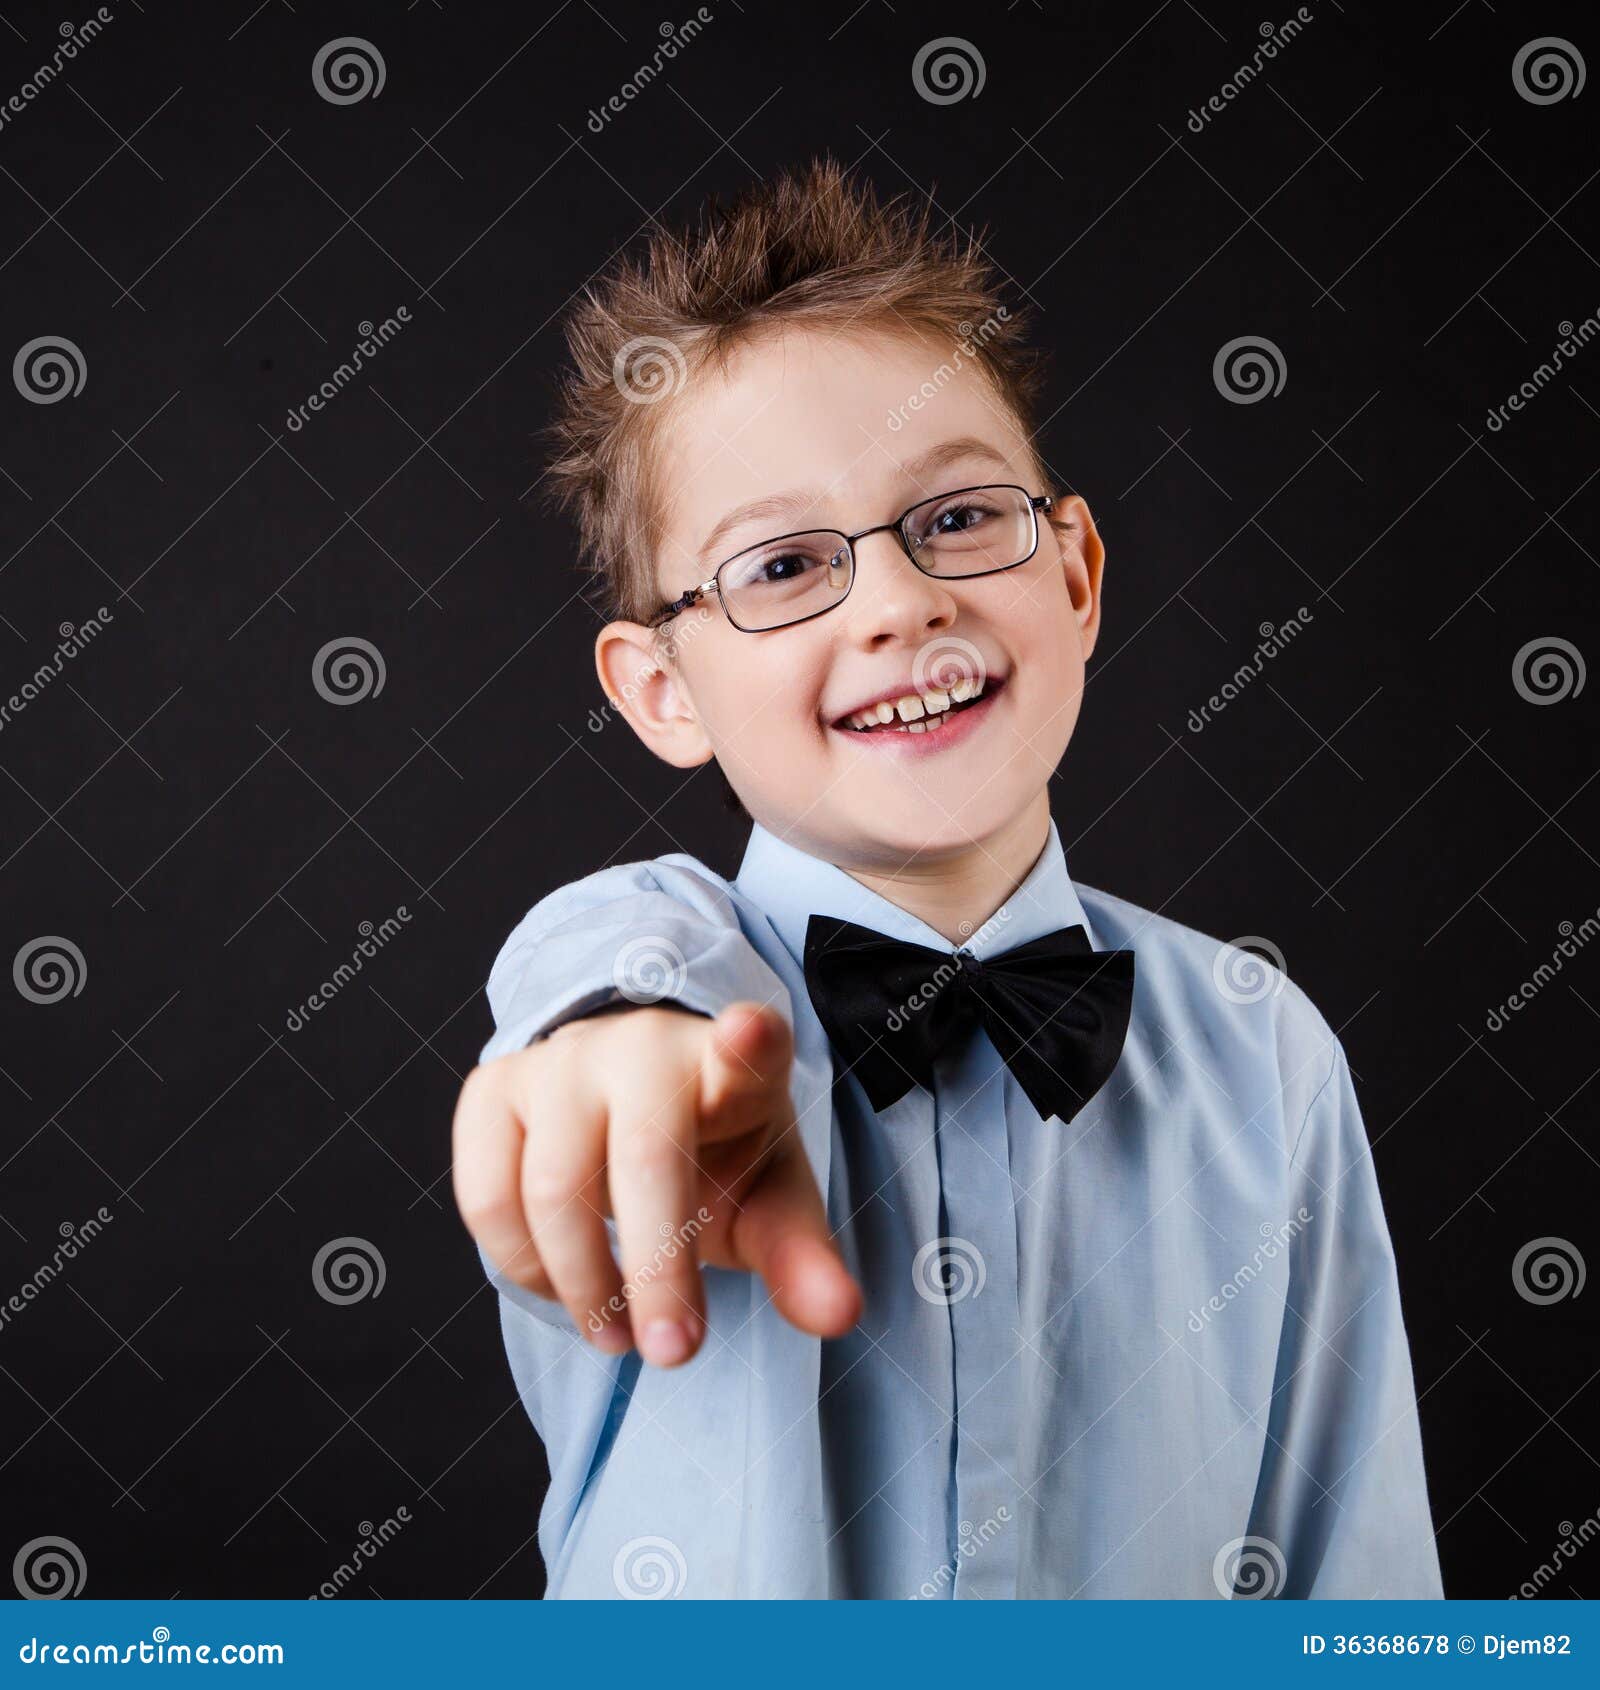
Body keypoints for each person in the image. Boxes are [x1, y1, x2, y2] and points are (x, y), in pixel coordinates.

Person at [449, 156, 1443, 1601]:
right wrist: (615, 1059)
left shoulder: (1265, 1050)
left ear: (1080, 575)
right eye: (783, 566)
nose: (904, 600)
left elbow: (1358, 1579)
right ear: (662, 688)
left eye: (962, 517)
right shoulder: (661, 965)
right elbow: (603, 978)